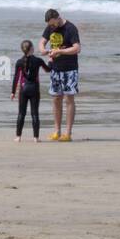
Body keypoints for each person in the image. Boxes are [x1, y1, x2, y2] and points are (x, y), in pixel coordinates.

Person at [39, 8, 81, 141]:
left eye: (53, 23)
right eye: (49, 25)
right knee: (56, 99)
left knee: (69, 99)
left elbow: (77, 48)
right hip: (55, 69)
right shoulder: (50, 27)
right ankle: (57, 130)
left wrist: (60, 52)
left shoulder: (71, 28)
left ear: (58, 18)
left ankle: (68, 133)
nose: (52, 26)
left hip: (70, 69)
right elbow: (41, 42)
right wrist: (43, 50)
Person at [11, 40, 51, 142]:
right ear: (32, 49)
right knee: (35, 114)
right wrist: (51, 60)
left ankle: (18, 137)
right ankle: (36, 138)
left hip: (23, 90)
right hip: (34, 89)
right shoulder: (38, 60)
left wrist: (13, 92)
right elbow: (48, 69)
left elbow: (16, 78)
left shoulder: (19, 62)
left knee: (21, 114)